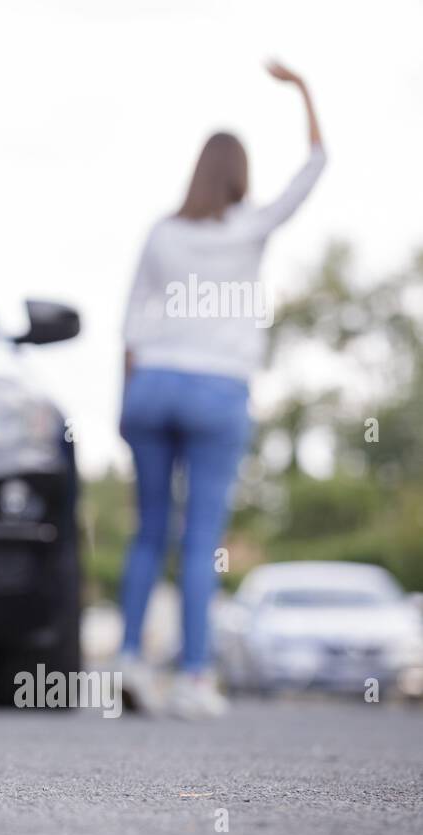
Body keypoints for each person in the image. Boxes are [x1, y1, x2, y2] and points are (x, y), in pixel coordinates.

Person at [117, 62, 326, 718]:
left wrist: (129, 399)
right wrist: (305, 90)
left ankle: (127, 657)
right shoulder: (249, 228)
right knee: (200, 534)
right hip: (216, 392)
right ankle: (194, 677)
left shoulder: (161, 231)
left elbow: (131, 320)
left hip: (150, 386)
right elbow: (316, 165)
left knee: (150, 530)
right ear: (239, 177)